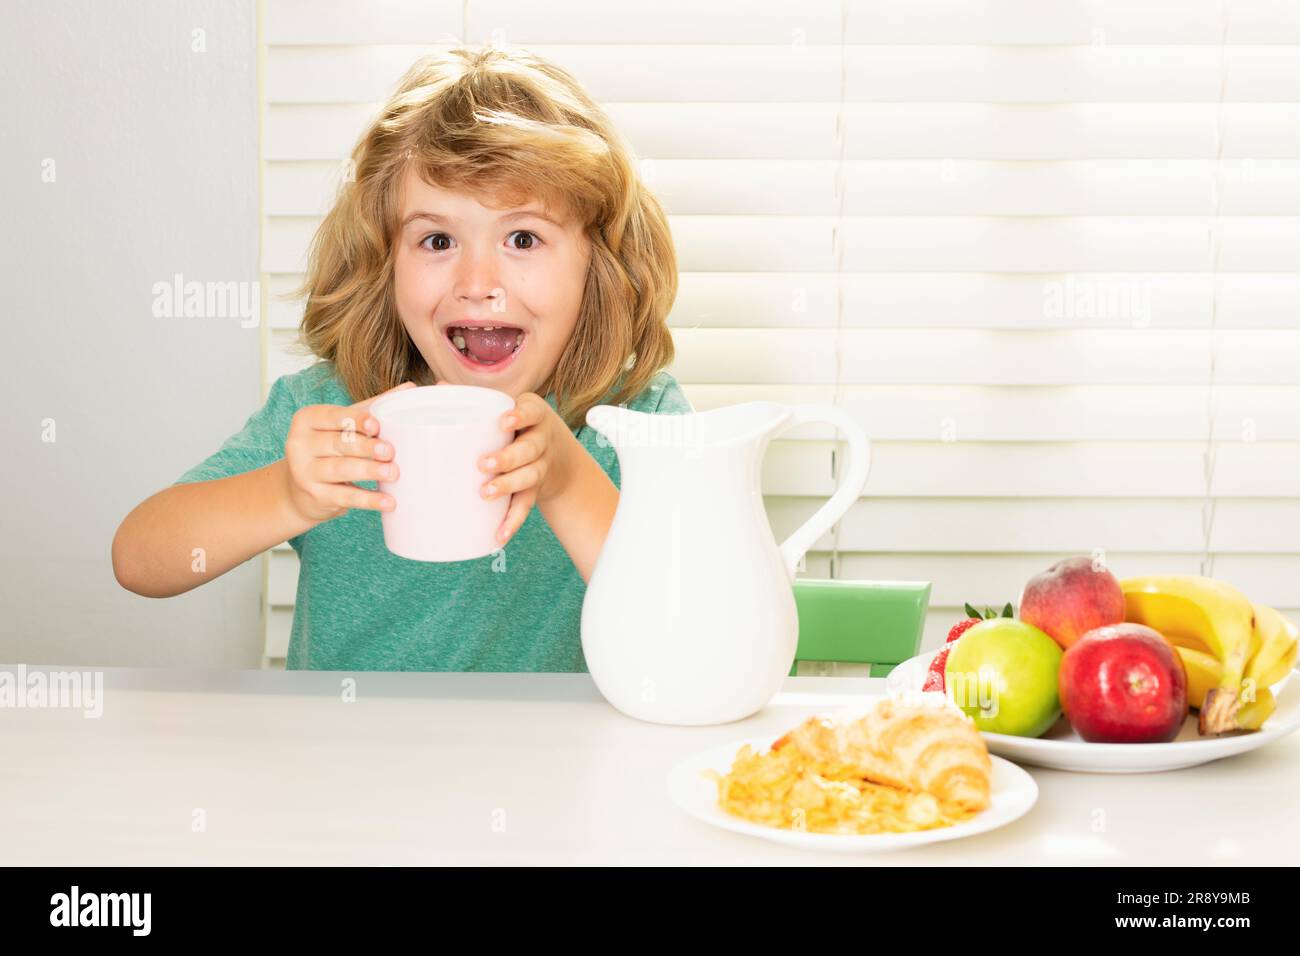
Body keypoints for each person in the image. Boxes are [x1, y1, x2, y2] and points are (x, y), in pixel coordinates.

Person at [112, 46, 692, 671]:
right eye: (437, 240)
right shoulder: (331, 412)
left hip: (562, 767)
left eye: (523, 238)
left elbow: (693, 629)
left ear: (597, 266)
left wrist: (570, 483)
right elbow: (140, 560)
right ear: (384, 263)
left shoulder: (640, 419)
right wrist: (288, 493)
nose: (477, 280)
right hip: (349, 762)